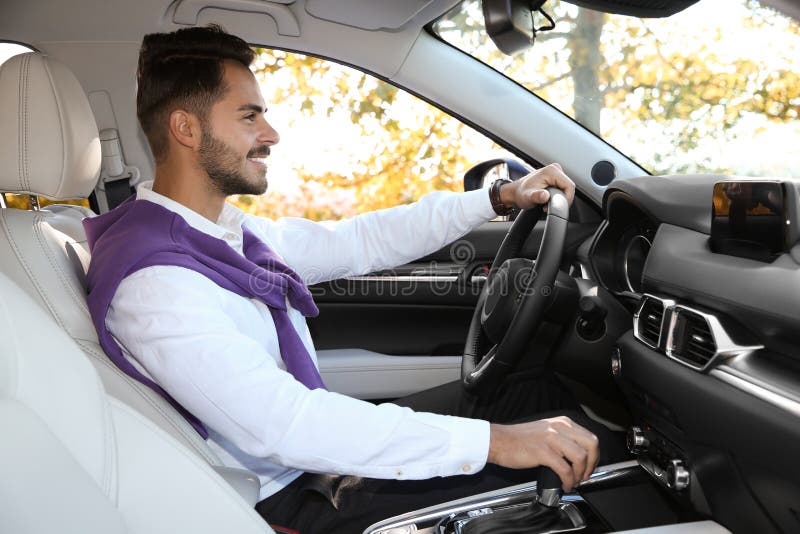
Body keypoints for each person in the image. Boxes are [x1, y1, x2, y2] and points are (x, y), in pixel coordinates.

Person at [83, 25, 623, 534]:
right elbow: (285, 427)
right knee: (577, 463)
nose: (271, 133)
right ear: (186, 127)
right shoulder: (157, 280)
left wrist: (494, 197)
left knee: (538, 392)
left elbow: (360, 240)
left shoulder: (216, 232)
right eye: (249, 117)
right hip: (297, 492)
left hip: (306, 459)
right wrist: (498, 443)